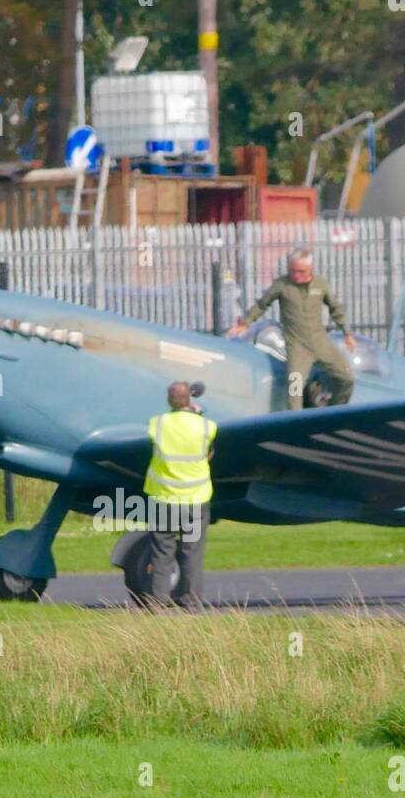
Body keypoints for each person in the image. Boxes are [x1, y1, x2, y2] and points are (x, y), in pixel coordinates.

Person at [227, 247, 356, 409]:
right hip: (297, 347)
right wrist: (245, 324)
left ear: (310, 269)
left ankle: (336, 411)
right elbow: (262, 304)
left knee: (346, 378)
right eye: (292, 271)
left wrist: (347, 333)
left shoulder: (320, 284)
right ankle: (297, 424)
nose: (296, 275)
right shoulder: (282, 285)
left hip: (321, 342)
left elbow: (336, 308)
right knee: (294, 391)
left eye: (301, 271)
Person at [143, 381, 217, 610]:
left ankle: (158, 601)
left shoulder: (157, 424)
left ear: (169, 400)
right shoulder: (207, 426)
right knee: (192, 551)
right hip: (196, 500)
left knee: (162, 551)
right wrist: (197, 414)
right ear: (190, 400)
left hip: (164, 498)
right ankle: (191, 601)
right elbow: (209, 452)